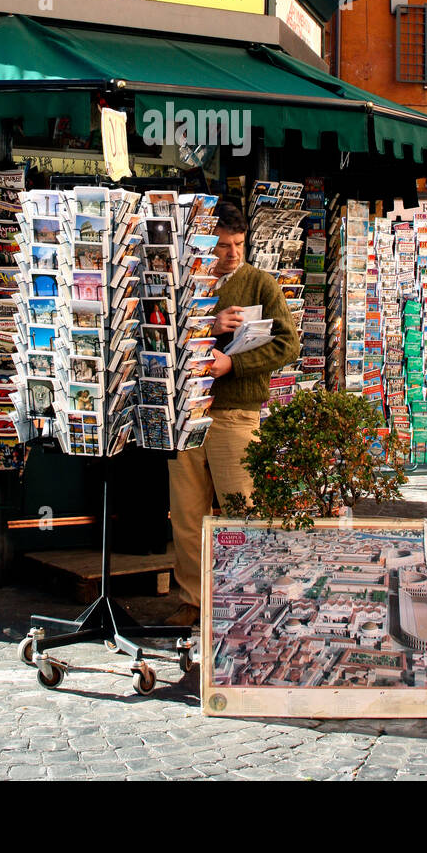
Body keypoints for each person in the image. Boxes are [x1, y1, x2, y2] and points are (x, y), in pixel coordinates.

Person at [166, 200, 300, 626]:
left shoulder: (261, 284)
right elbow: (161, 335)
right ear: (207, 245)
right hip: (187, 413)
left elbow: (288, 345)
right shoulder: (187, 282)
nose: (232, 254)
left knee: (244, 511)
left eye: (238, 244)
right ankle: (194, 602)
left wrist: (233, 364)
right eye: (222, 246)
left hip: (234, 413)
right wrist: (208, 320)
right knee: (188, 516)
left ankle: (248, 601)